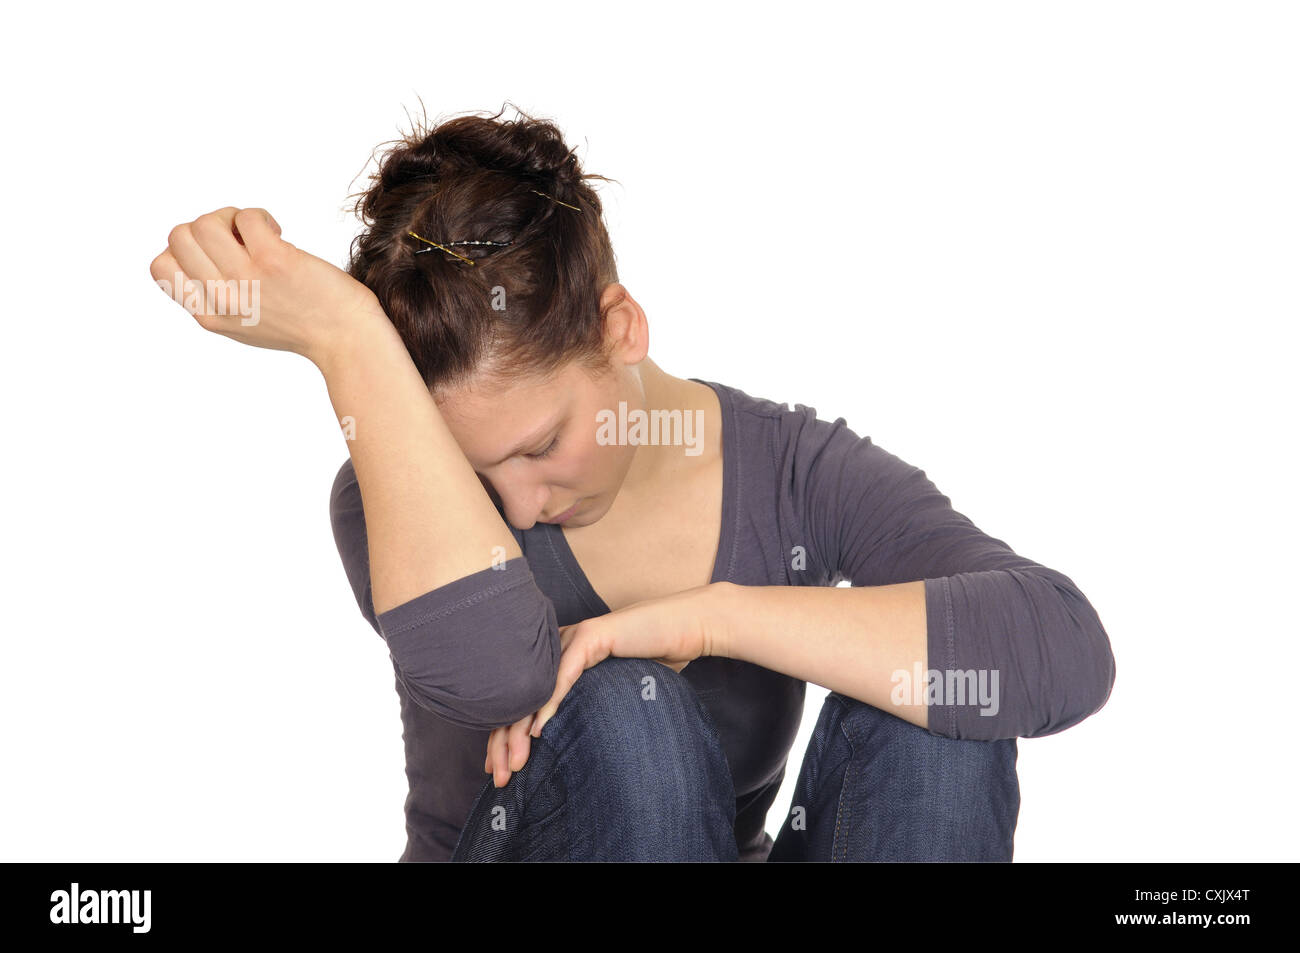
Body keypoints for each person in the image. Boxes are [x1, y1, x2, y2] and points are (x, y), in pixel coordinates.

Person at [150, 102, 1116, 862]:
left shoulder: (791, 467)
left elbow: (1060, 649)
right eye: (475, 471)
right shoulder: (386, 492)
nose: (516, 502)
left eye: (539, 445)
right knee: (621, 704)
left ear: (621, 330)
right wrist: (345, 338)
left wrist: (706, 618)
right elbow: (501, 674)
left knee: (936, 711)